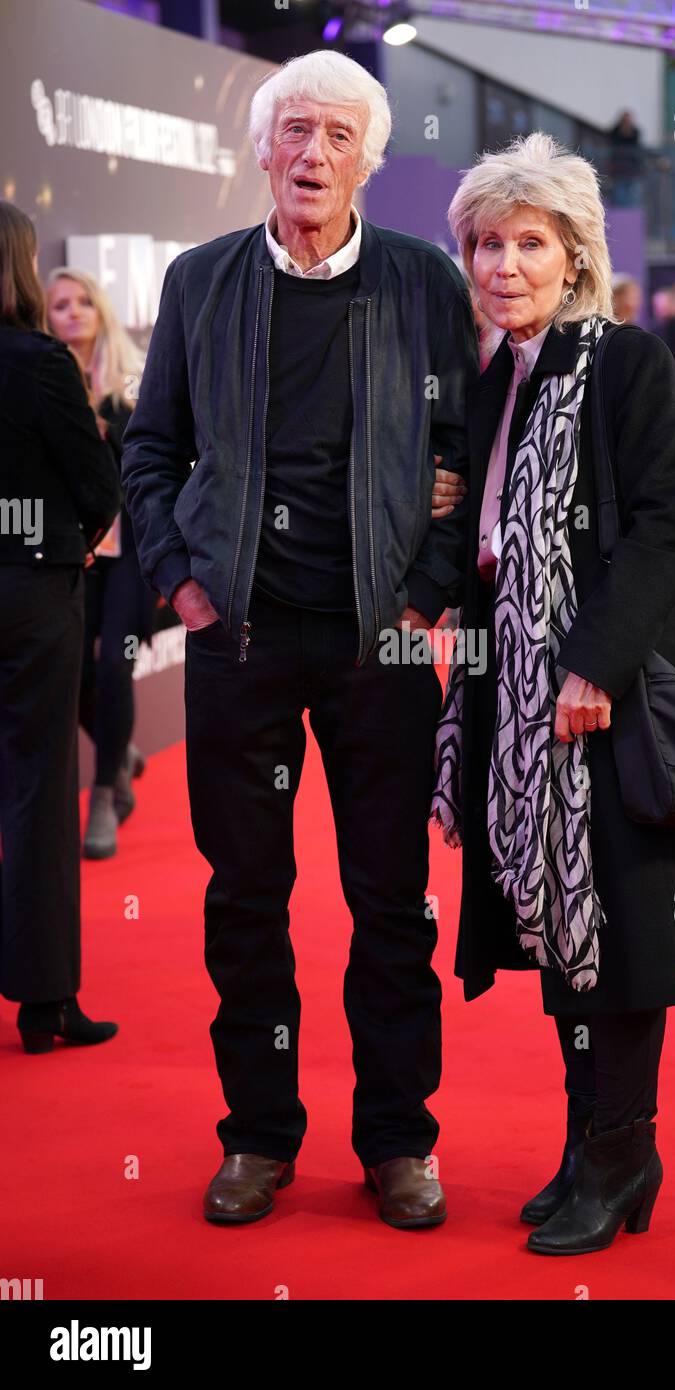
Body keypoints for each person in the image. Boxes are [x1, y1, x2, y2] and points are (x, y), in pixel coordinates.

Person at [121, 51, 478, 1228]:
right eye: (294, 132)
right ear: (261, 149)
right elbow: (151, 449)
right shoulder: (201, 281)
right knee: (245, 901)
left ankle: (397, 1141)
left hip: (379, 648)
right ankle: (258, 1138)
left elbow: (469, 459)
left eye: (337, 135)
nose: (312, 154)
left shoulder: (426, 282)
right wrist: (183, 584)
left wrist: (423, 594)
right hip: (240, 645)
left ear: (369, 156)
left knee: (391, 906)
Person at [430, 133, 675, 1256]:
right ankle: (593, 1145)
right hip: (514, 709)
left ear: (574, 256)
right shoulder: (495, 379)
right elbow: (479, 538)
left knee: (613, 937)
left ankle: (620, 1152)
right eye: (483, 244)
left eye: (527, 242)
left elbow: (666, 527)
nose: (502, 264)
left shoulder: (625, 360)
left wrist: (587, 665)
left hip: (608, 705)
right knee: (558, 932)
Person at [0, 202, 121, 1051]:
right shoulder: (42, 364)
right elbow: (98, 481)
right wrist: (72, 542)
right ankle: (44, 1004)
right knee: (42, 793)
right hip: (34, 594)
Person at [45, 268, 155, 858]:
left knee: (115, 662)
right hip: (70, 557)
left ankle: (106, 792)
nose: (73, 312)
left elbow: (150, 474)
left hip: (131, 556)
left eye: (84, 300)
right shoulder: (41, 385)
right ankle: (121, 752)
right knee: (74, 671)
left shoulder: (129, 386)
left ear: (102, 311)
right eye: (60, 304)